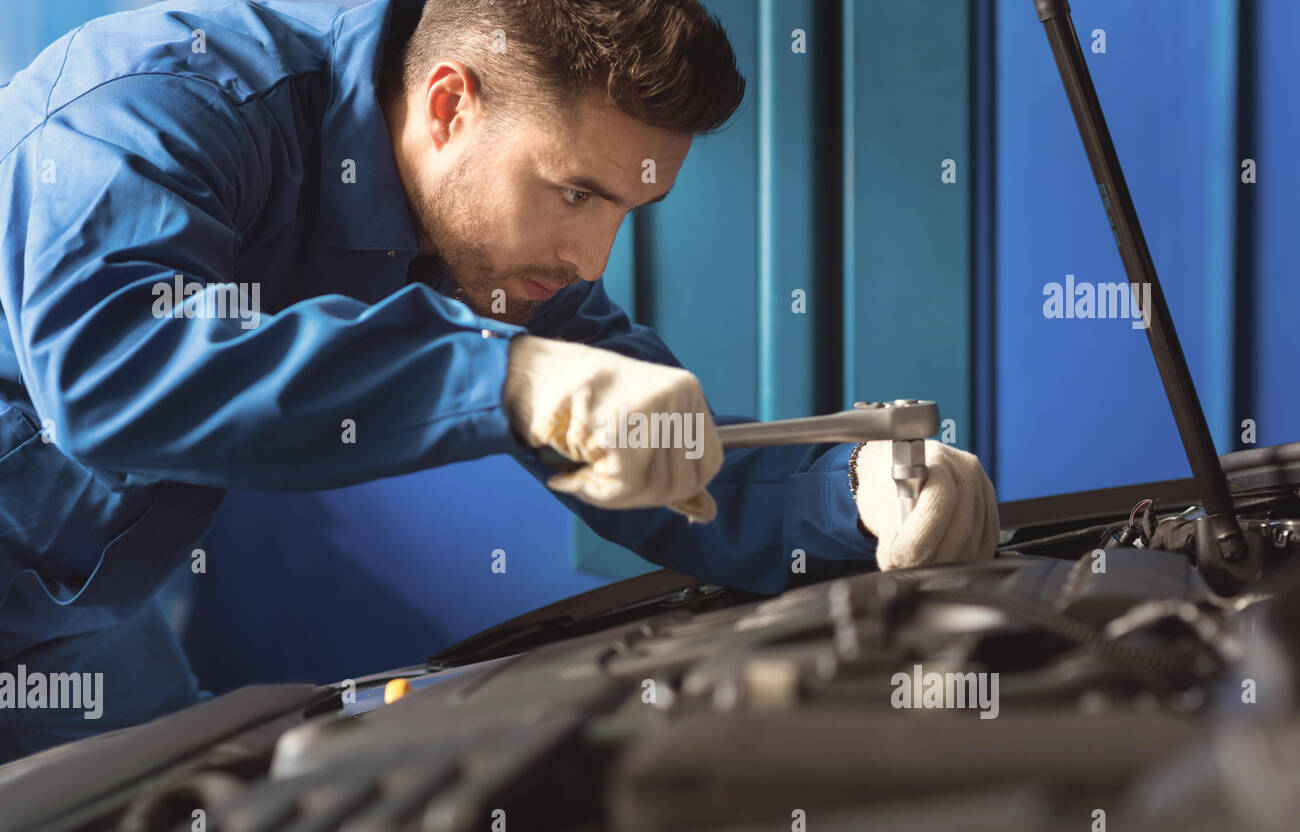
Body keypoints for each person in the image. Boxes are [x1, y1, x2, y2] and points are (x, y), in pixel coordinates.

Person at [0, 0, 997, 761]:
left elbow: (656, 454)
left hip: (71, 617)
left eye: (622, 210)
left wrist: (855, 494)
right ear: (448, 105)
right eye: (575, 192)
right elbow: (111, 373)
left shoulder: (486, 242)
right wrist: (510, 381)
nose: (591, 258)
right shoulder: (165, 105)